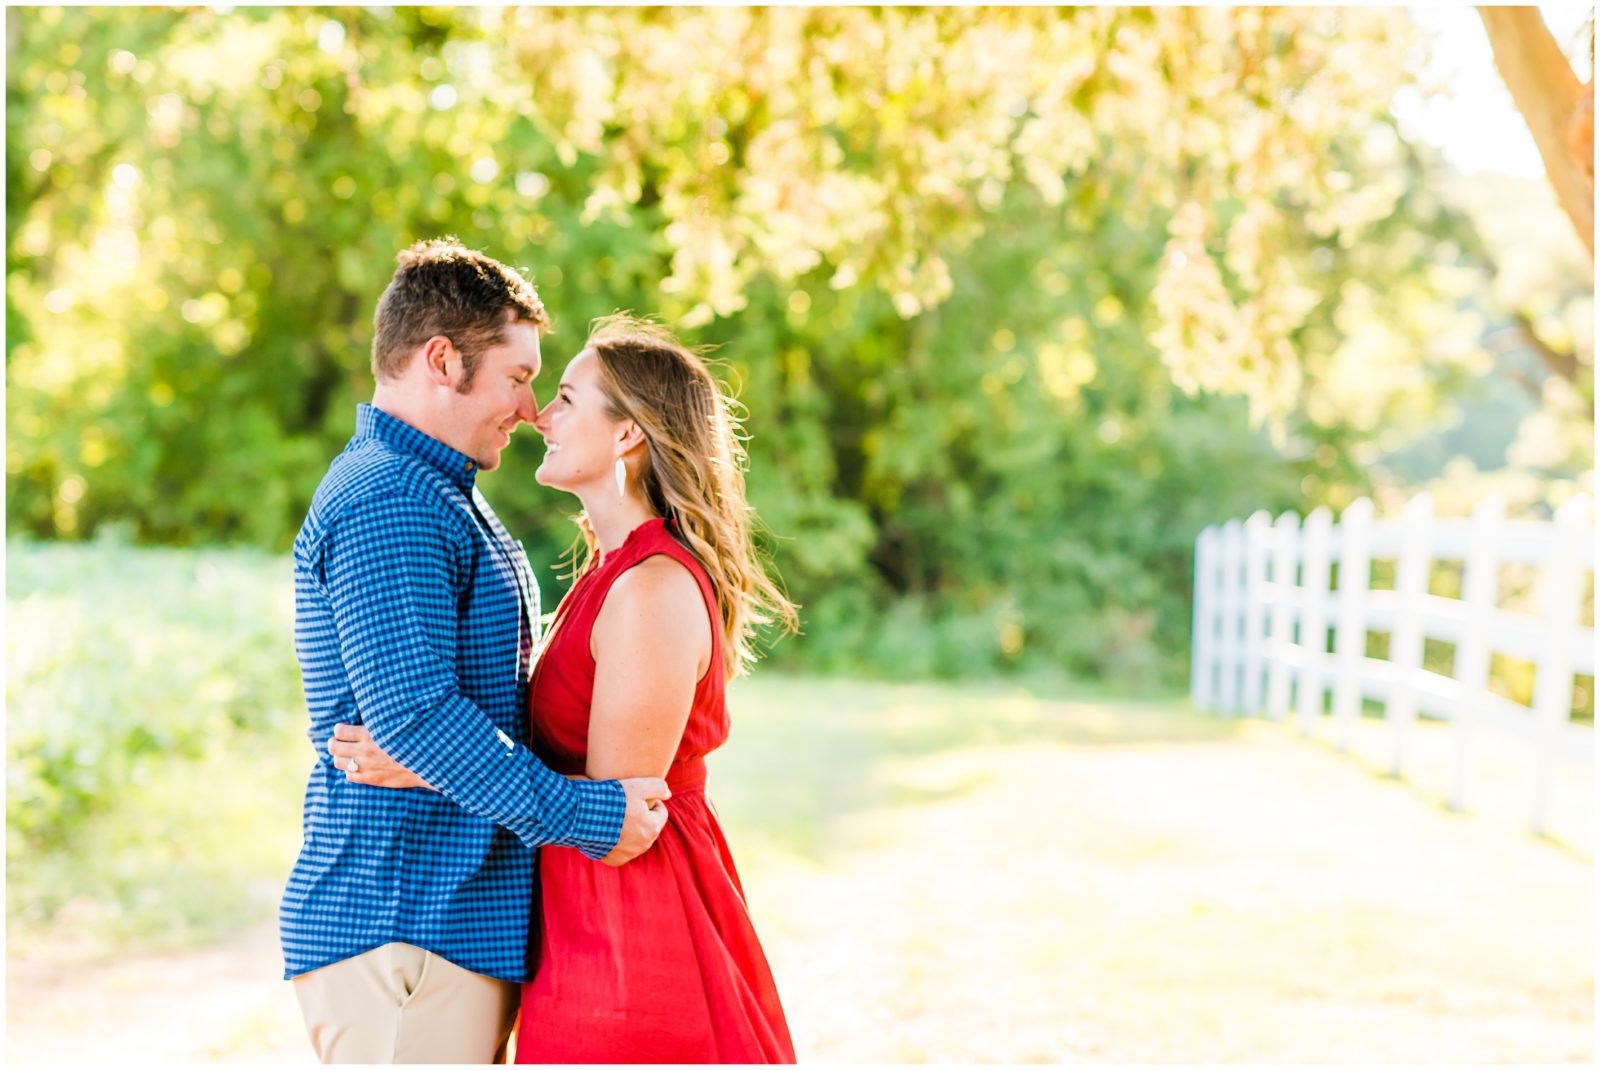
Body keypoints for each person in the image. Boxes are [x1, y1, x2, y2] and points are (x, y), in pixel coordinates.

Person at [337, 315, 801, 1062]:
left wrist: (432, 763)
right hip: (578, 924)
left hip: (635, 933)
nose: (537, 414)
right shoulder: (607, 571)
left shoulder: (651, 586)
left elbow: (617, 816)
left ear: (627, 436)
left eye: (565, 398)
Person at [280, 240, 671, 1065]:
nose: (530, 409)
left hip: (449, 926)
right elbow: (419, 716)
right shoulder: (390, 498)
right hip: (404, 925)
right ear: (441, 359)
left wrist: (431, 757)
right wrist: (588, 816)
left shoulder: (440, 493)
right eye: (519, 376)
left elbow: (441, 725)